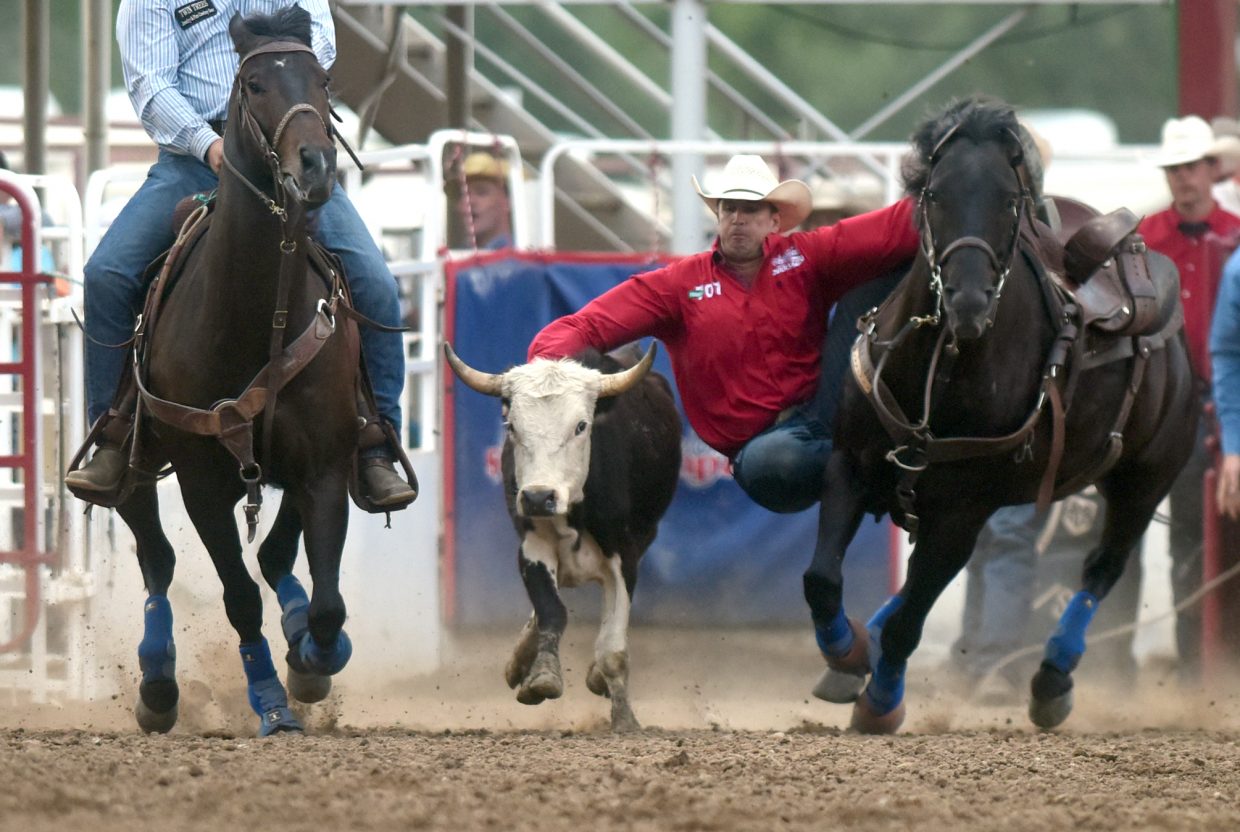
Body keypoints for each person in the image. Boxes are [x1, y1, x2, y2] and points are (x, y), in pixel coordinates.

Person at [64, 1, 415, 509]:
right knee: (108, 274)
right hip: (195, 159)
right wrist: (211, 146)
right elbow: (150, 85)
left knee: (376, 284)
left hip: (285, 146)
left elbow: (317, 50)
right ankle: (115, 434)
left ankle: (375, 443)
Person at [528, 153, 918, 513]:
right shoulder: (680, 285)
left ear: (773, 221)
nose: (737, 219)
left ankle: (872, 459)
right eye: (729, 208)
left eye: (750, 210)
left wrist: (956, 176)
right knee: (778, 460)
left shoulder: (806, 257)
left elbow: (895, 228)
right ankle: (871, 467)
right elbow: (588, 325)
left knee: (886, 279)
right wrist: (542, 372)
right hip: (760, 449)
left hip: (821, 415)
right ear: (718, 216)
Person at [1139, 115, 1240, 681]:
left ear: (1210, 170)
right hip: (1164, 403)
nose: (1183, 179)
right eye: (1174, 169)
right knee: (1180, 538)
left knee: (1204, 537)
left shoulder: (1236, 235)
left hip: (1222, 398)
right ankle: (1194, 665)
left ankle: (1212, 664)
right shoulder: (1147, 239)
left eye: (1191, 167)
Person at [449, 151, 513, 250]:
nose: (470, 201)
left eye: (481, 192)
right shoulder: (455, 256)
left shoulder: (526, 258)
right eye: (463, 194)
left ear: (507, 202)